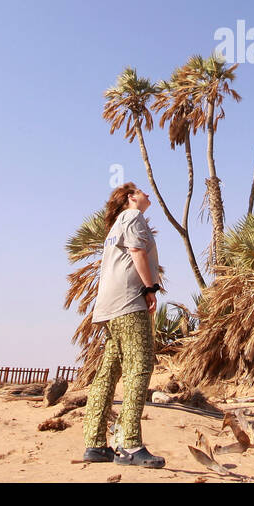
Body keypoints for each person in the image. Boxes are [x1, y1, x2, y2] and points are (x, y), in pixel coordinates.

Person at [81, 182, 165, 468]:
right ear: (131, 197)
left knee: (109, 371)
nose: (146, 195)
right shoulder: (131, 216)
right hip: (129, 304)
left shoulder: (116, 225)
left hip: (109, 307)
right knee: (140, 365)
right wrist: (149, 288)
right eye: (141, 191)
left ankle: (94, 443)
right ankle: (129, 444)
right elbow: (137, 251)